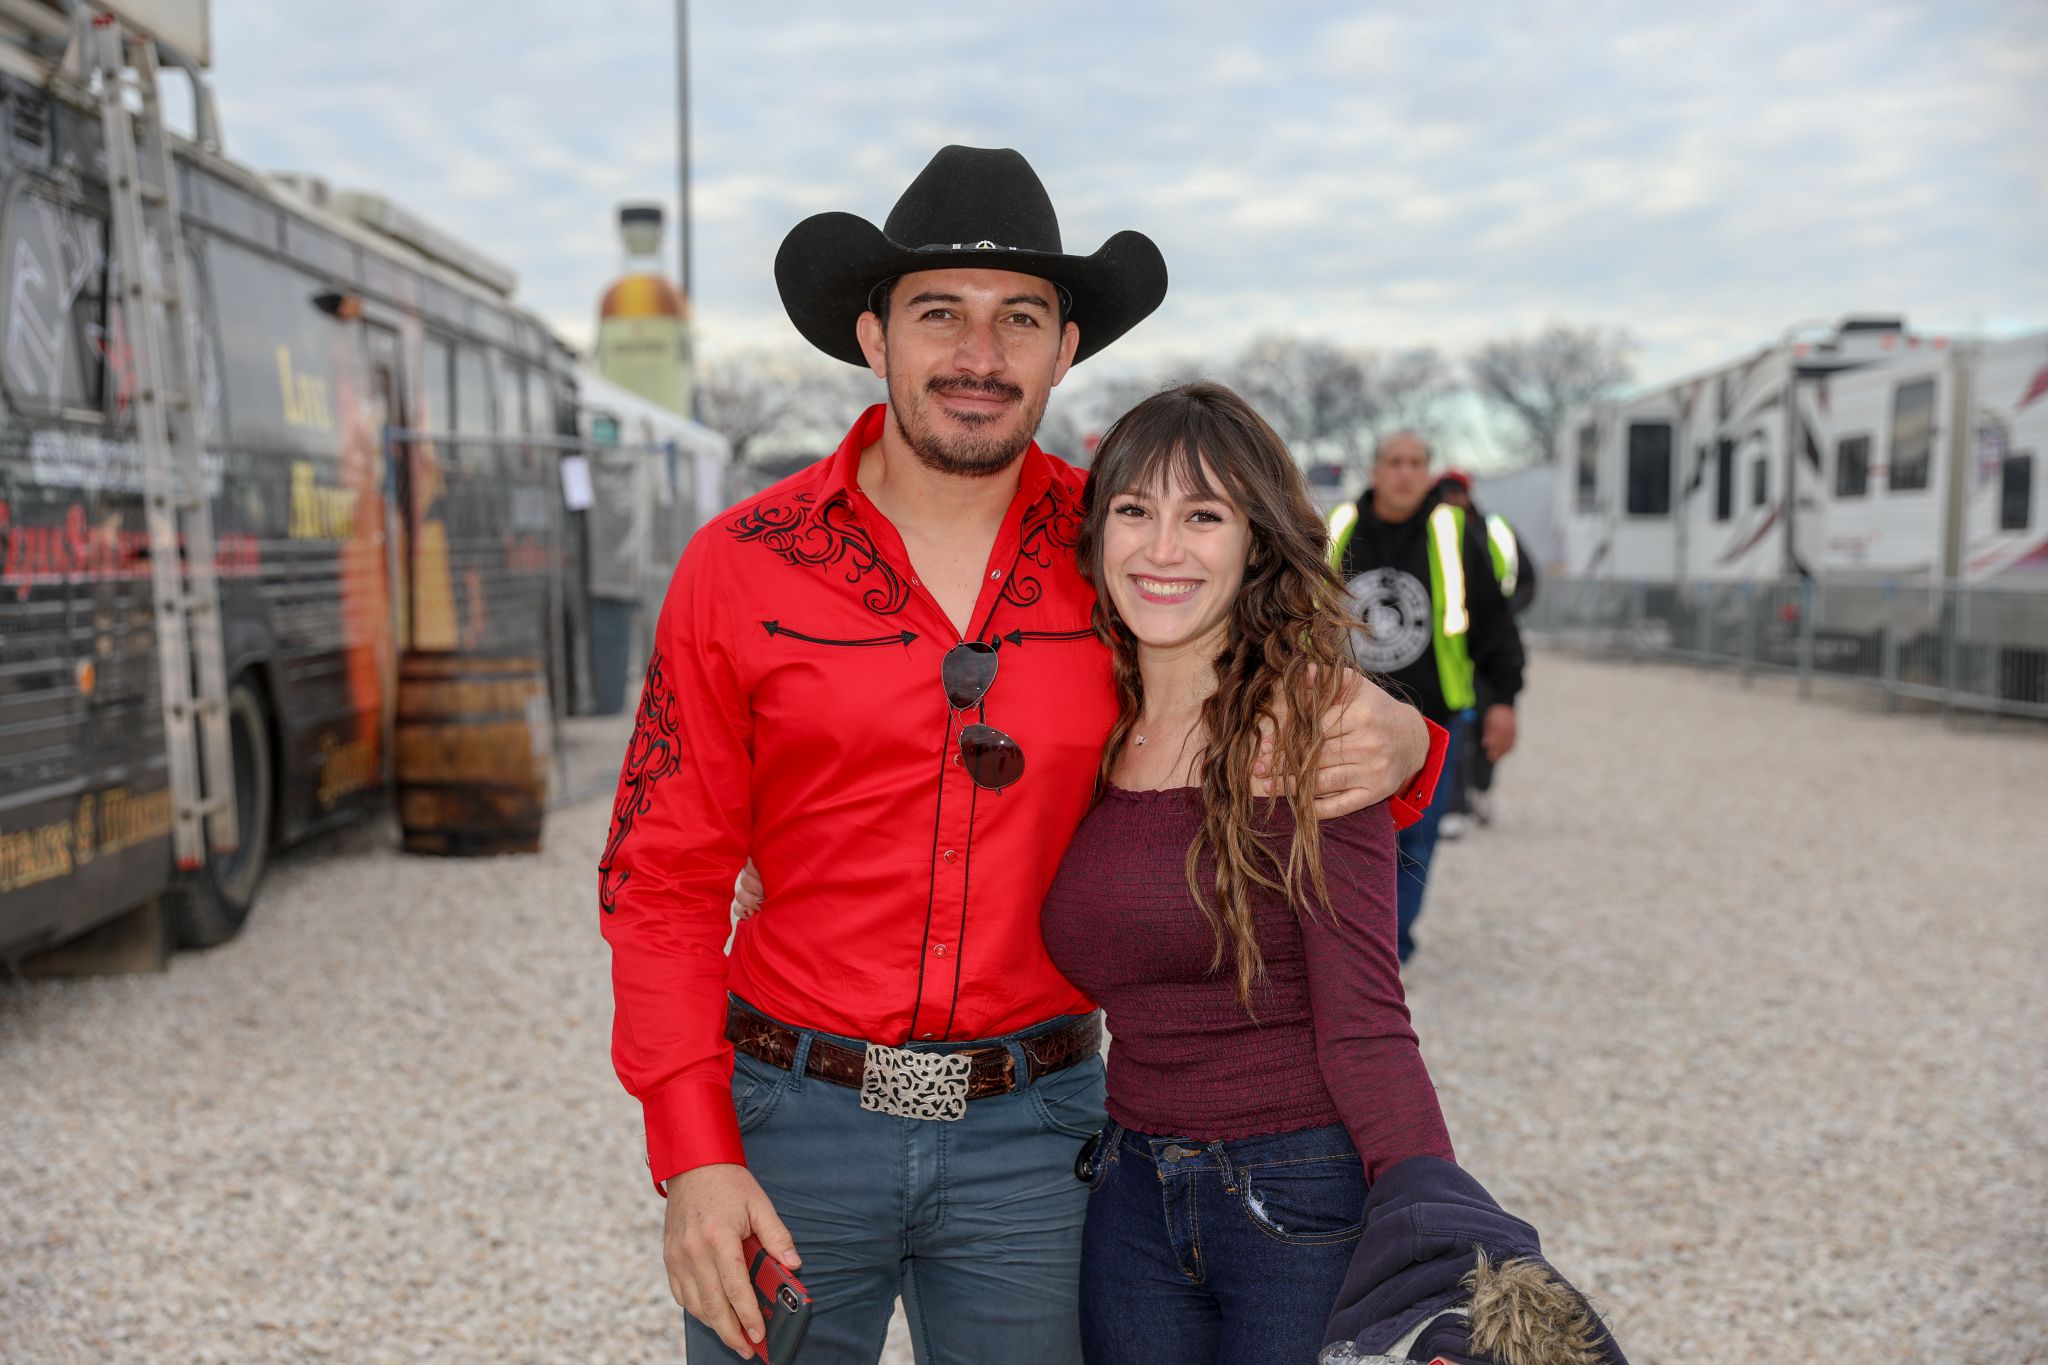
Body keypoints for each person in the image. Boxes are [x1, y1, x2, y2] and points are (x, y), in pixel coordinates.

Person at [598, 145, 1444, 1365]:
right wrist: (693, 1152)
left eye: (1020, 320)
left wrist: (1409, 736)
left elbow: (1269, 693)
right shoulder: (742, 565)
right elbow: (660, 876)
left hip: (1039, 1142)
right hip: (785, 1121)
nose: (978, 355)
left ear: (1064, 351)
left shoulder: (1124, 555)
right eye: (938, 312)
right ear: (872, 335)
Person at [1038, 383, 1457, 1364]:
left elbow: (1365, 1016)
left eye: (1203, 516)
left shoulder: (1309, 721)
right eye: (1133, 511)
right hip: (1126, 1185)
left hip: (1292, 1190)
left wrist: (1434, 1223)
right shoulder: (1086, 719)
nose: (1161, 548)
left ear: (1255, 539)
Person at [1327, 433, 1524, 963]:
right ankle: (1350, 949)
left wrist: (1504, 698)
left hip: (1432, 720)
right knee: (1344, 842)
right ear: (1375, 470)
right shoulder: (1338, 528)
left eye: (1416, 463)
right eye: (1394, 462)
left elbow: (1494, 623)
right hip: (1344, 718)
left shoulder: (1455, 533)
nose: (1405, 474)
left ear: (1429, 472)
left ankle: (1391, 953)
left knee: (1415, 843)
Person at [1432, 470, 1536, 832]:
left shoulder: (1496, 531)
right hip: (1453, 648)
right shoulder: (1433, 533)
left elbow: (1526, 579)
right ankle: (1454, 802)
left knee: (1489, 724)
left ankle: (1482, 786)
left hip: (1493, 640)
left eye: (1456, 493)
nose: (1452, 500)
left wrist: (1503, 612)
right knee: (1459, 725)